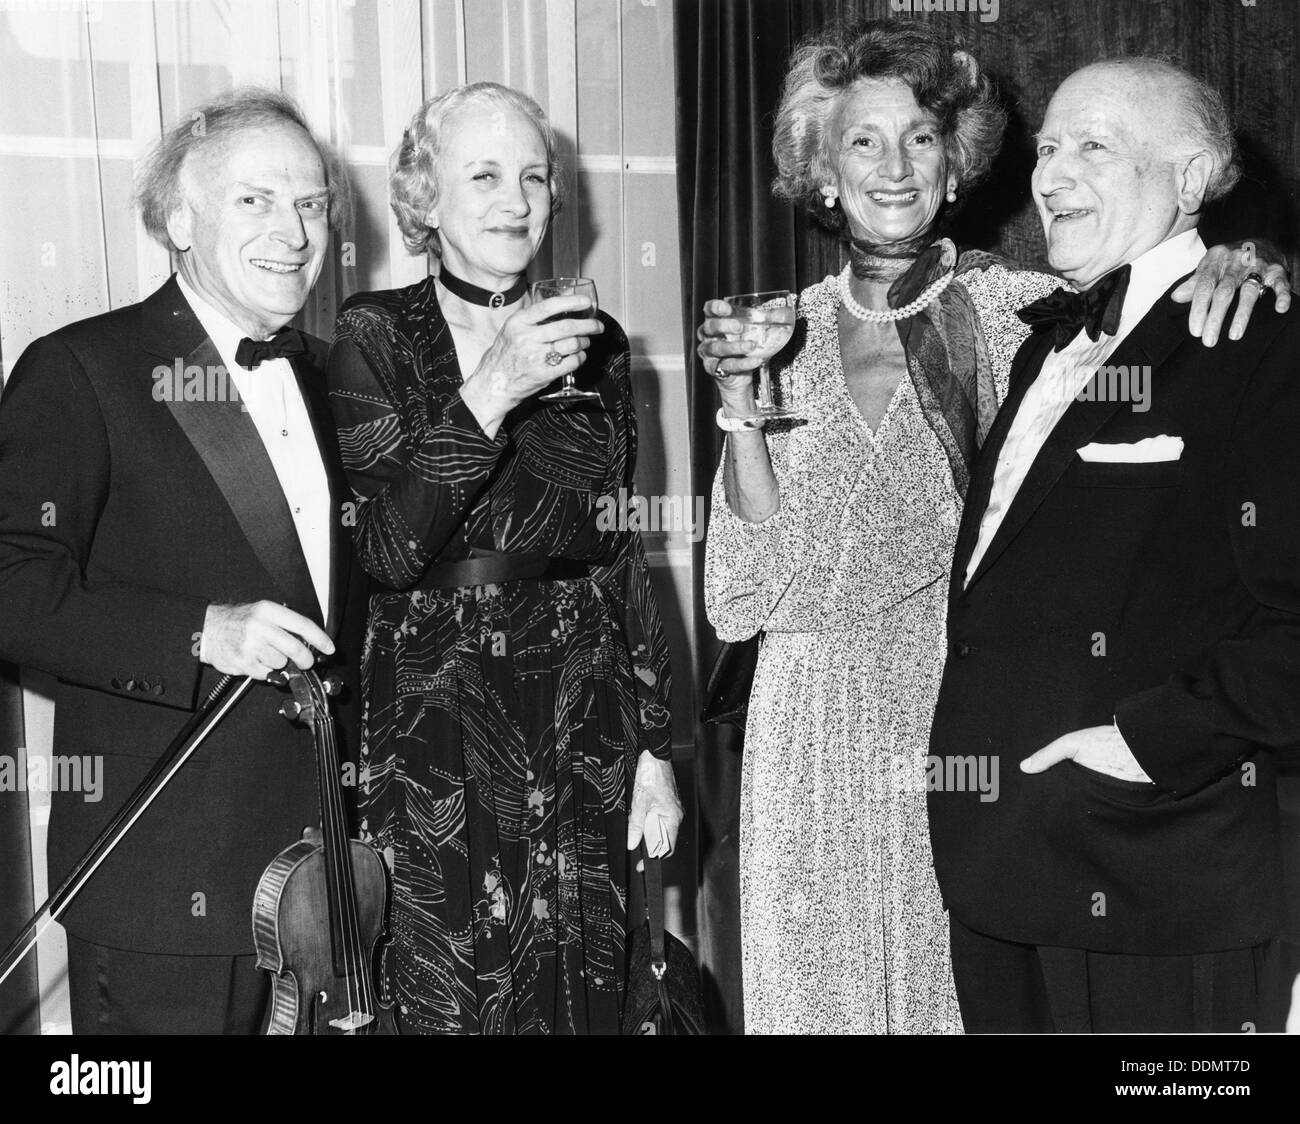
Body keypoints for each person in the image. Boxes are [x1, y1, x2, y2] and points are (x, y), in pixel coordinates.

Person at [698, 19, 1290, 1034]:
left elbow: (1164, 281)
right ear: (822, 172)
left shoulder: (1019, 309)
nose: (895, 167)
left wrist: (1255, 256)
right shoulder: (766, 329)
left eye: (921, 139)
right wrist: (741, 413)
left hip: (966, 738)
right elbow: (738, 596)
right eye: (863, 142)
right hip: (811, 736)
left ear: (957, 163)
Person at [928, 57, 1300, 1034]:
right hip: (1001, 876)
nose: (1049, 174)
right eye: (1047, 146)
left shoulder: (1262, 337)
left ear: (1188, 178)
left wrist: (1148, 742)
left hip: (1158, 882)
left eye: (1092, 145)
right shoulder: (1040, 346)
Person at [0, 88, 367, 1033]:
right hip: (164, 876)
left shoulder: (336, 375)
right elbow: (10, 587)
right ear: (176, 220)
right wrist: (200, 632)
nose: (293, 230)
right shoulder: (81, 368)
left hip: (327, 884)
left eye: (311, 203)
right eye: (255, 200)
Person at [326, 81, 683, 1035]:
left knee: (584, 974)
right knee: (452, 982)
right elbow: (390, 549)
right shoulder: (374, 335)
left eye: (532, 176)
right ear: (423, 200)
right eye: (483, 175)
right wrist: (489, 393)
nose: (515, 201)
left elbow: (620, 553)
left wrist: (655, 748)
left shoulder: (598, 348)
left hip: (584, 701)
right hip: (436, 712)